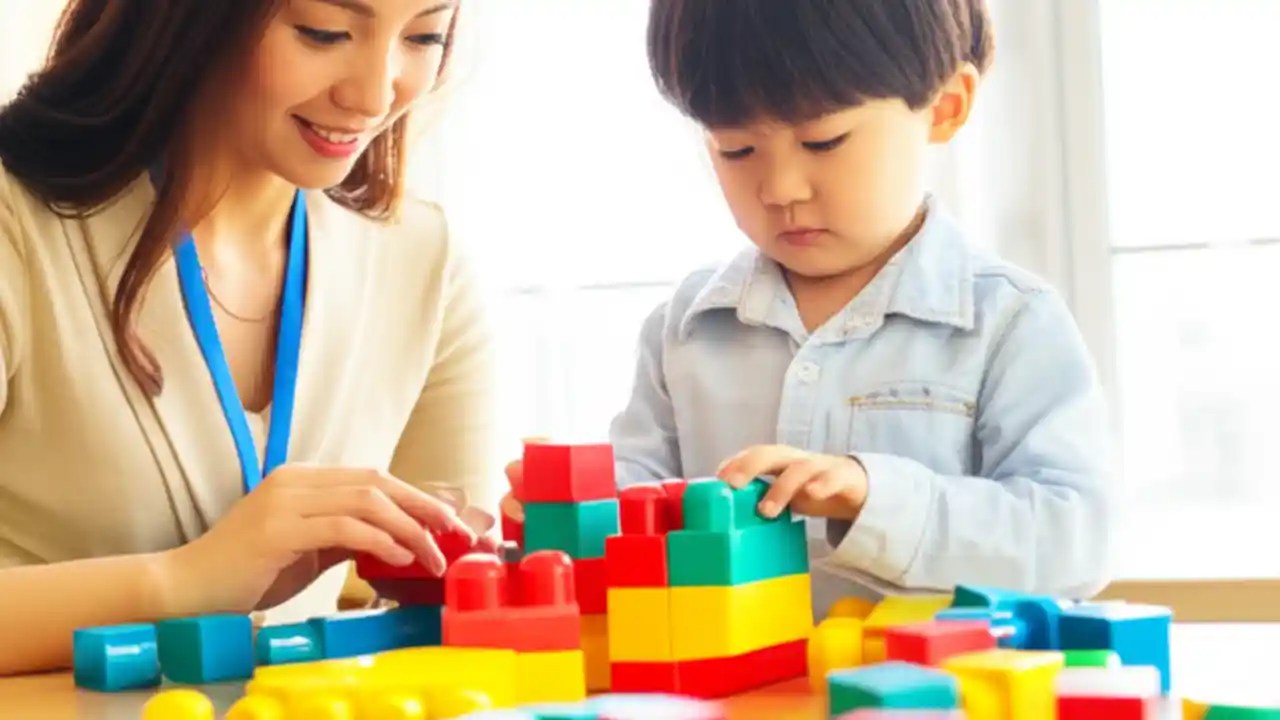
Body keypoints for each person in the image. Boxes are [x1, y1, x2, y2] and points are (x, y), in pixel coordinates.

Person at [503, 0, 1112, 614]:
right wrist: (567, 516)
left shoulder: (1010, 322)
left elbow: (1073, 543)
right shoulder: (684, 328)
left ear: (945, 105)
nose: (780, 189)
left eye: (823, 141)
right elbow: (638, 502)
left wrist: (876, 498)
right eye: (737, 150)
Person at [0, 0, 499, 676]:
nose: (375, 93)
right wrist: (179, 583)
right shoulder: (16, 227)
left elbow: (456, 609)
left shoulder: (422, 260)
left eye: (424, 36)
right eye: (324, 32)